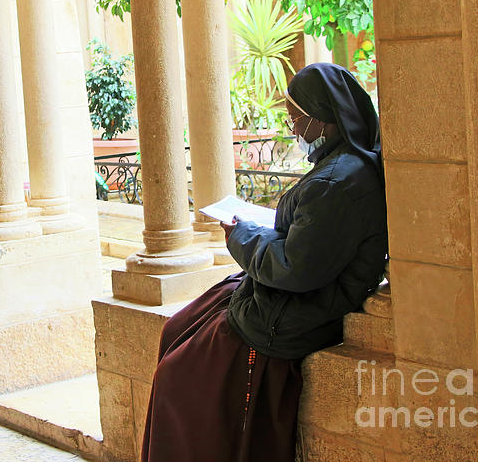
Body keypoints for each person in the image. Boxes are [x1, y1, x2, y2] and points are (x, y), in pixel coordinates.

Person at [141, 63, 389, 462]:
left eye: (297, 119)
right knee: (175, 329)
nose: (293, 129)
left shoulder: (337, 183)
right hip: (278, 299)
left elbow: (296, 268)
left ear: (323, 120)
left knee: (175, 379)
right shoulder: (341, 164)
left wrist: (239, 233)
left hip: (285, 317)